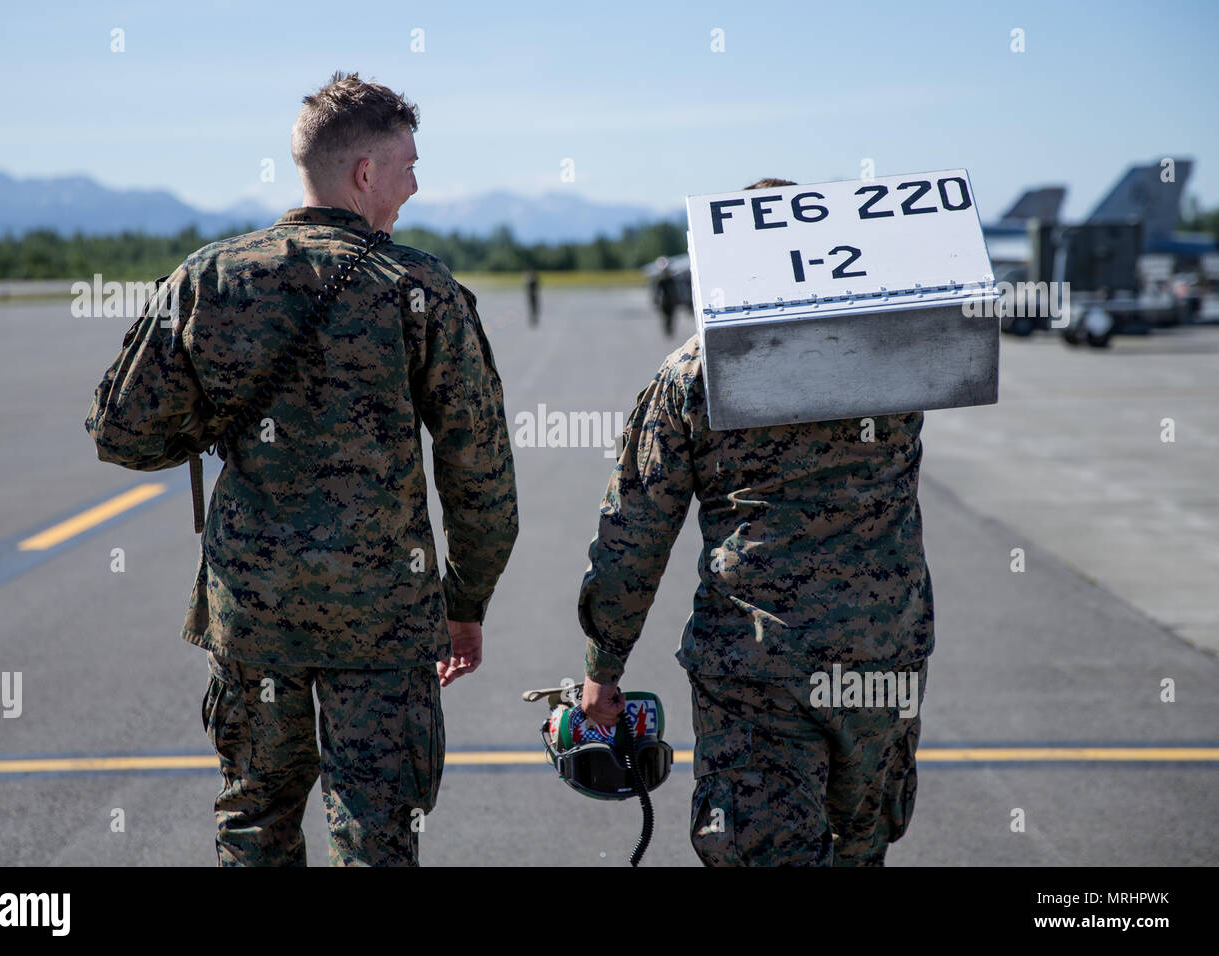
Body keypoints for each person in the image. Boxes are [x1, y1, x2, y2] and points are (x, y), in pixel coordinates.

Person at [84, 72, 518, 866]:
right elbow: (480, 473)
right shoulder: (420, 288)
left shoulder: (210, 278)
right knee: (376, 832)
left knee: (255, 822)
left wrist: (212, 421)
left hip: (253, 615)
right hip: (382, 619)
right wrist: (466, 603)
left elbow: (123, 433)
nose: (417, 183)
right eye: (409, 165)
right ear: (364, 174)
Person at [576, 178, 932, 866]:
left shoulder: (693, 373)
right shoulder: (900, 361)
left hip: (758, 666)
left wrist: (604, 664)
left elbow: (635, 533)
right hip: (884, 656)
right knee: (861, 849)